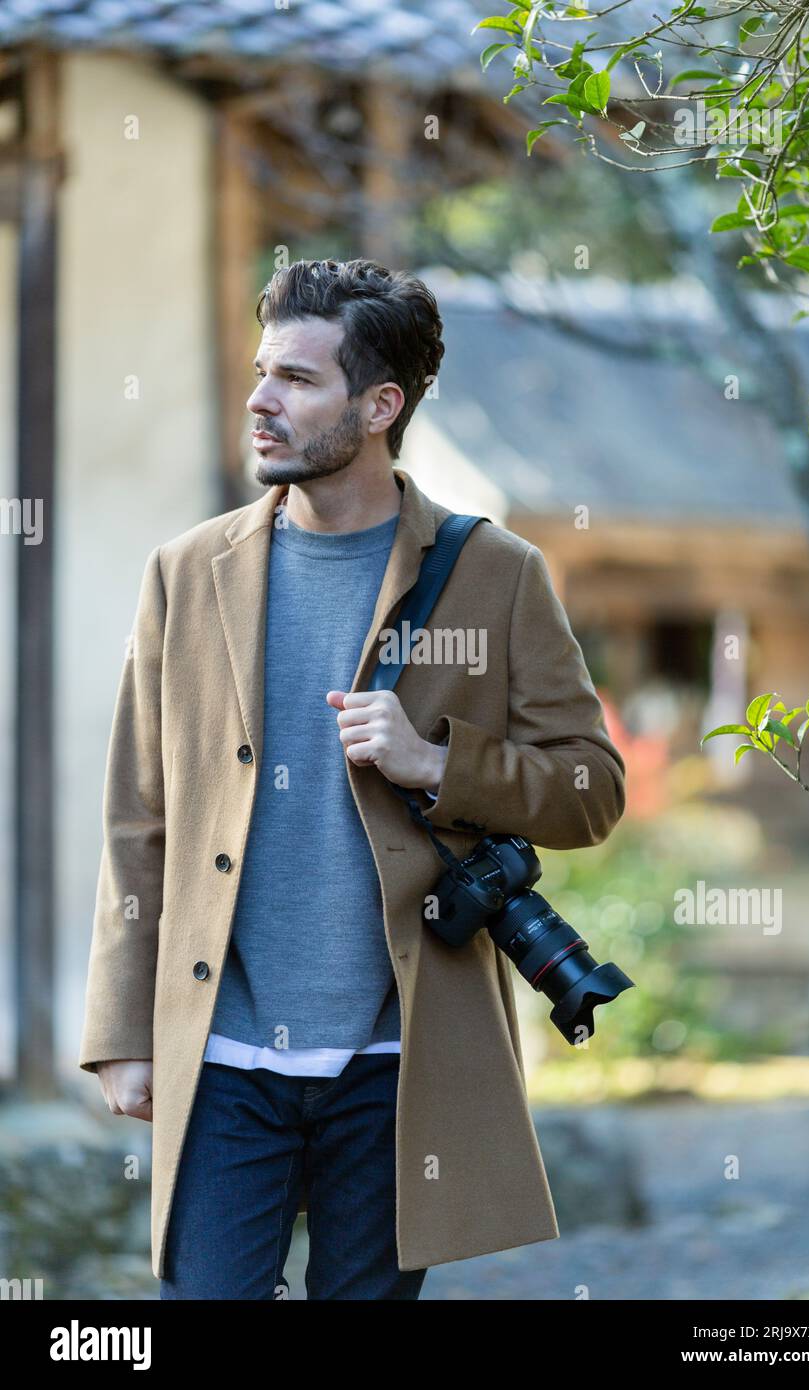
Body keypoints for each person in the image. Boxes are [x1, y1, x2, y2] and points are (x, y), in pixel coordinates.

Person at [80, 257, 626, 1300]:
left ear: (379, 405)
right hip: (226, 1052)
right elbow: (135, 816)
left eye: (295, 378)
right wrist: (118, 1029)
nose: (259, 400)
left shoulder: (493, 573)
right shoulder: (185, 573)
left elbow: (590, 788)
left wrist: (438, 764)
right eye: (259, 372)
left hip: (396, 1059)